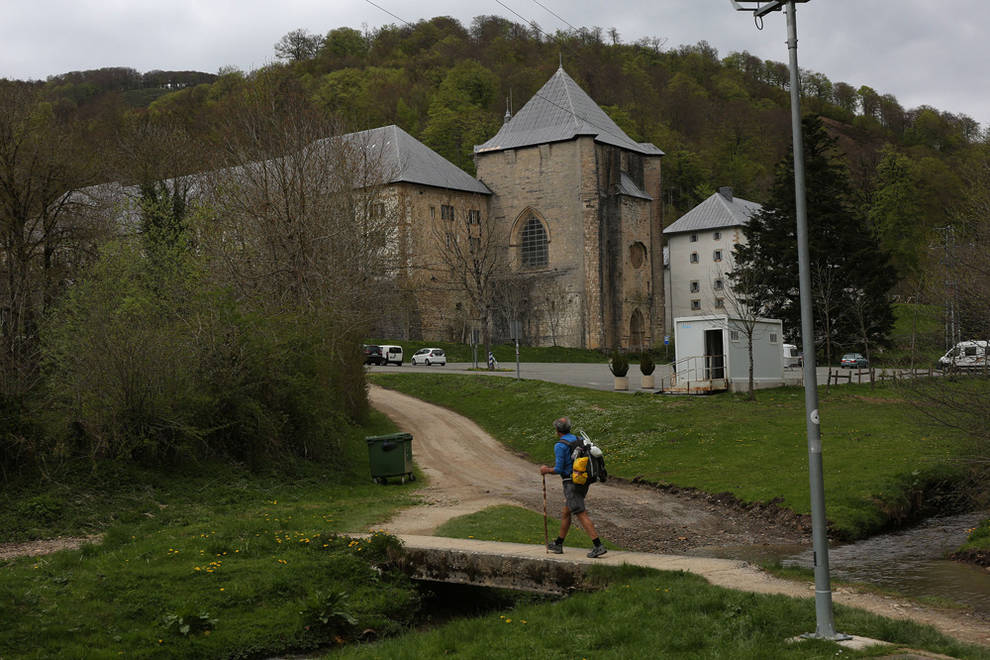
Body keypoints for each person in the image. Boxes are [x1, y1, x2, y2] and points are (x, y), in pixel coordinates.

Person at [539, 416, 607, 558]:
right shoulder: (578, 439)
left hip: (571, 483)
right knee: (567, 511)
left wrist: (546, 470)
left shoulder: (560, 445)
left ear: (557, 430)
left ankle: (598, 545)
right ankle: (558, 544)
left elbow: (558, 469)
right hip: (583, 480)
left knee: (580, 512)